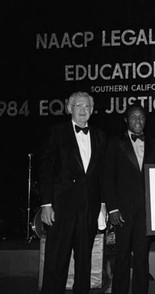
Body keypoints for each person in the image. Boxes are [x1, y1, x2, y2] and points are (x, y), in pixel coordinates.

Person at [39, 91, 107, 294]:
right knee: (56, 261)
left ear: (92, 110)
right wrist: (46, 204)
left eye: (87, 106)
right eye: (78, 106)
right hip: (61, 209)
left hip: (88, 209)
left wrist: (102, 205)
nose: (83, 110)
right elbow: (46, 170)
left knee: (84, 263)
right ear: (69, 108)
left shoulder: (100, 135)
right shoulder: (57, 131)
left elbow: (101, 174)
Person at [102, 104, 155, 294]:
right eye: (134, 117)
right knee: (121, 258)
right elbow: (107, 177)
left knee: (142, 258)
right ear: (126, 120)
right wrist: (112, 208)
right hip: (121, 211)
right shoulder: (114, 142)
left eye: (141, 117)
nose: (138, 120)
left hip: (146, 212)